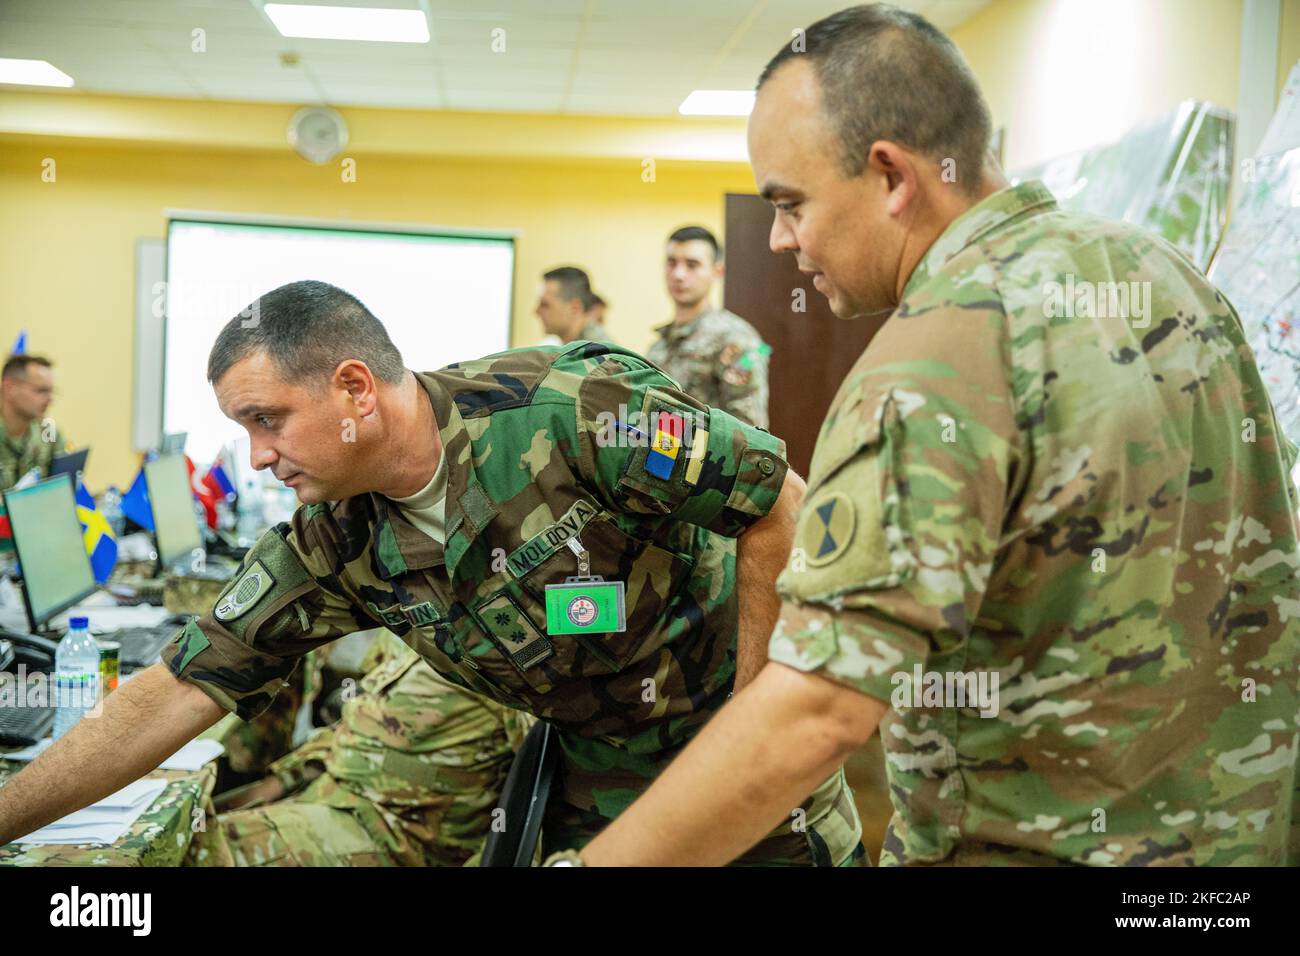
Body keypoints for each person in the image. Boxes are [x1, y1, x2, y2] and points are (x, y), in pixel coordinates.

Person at [576, 2, 1300, 866]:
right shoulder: (1169, 277)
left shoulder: (933, 361)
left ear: (891, 176)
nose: (778, 239)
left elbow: (819, 710)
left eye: (790, 203)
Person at [0, 279, 861, 866]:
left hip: (738, 754)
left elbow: (776, 501)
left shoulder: (573, 412)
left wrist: (754, 726)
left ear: (354, 389)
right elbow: (181, 685)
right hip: (595, 772)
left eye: (268, 421)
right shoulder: (331, 540)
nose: (257, 456)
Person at [206, 631, 527, 867]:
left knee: (204, 850)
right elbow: (362, 729)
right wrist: (280, 781)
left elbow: (543, 800)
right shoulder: (421, 624)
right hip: (335, 793)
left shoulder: (509, 653)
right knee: (198, 820)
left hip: (398, 836)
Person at [647, 226, 770, 428]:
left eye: (692, 265)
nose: (678, 274)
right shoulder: (659, 345)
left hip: (709, 459)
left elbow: (750, 431)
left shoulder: (737, 338)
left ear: (716, 271)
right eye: (671, 263)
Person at [0, 354, 67, 488]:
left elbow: (61, 486)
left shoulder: (48, 432)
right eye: (41, 391)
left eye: (52, 392)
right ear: (10, 388)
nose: (50, 400)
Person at [535, 266, 612, 345]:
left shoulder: (596, 352)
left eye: (545, 305)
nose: (536, 312)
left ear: (574, 308)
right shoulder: (575, 348)